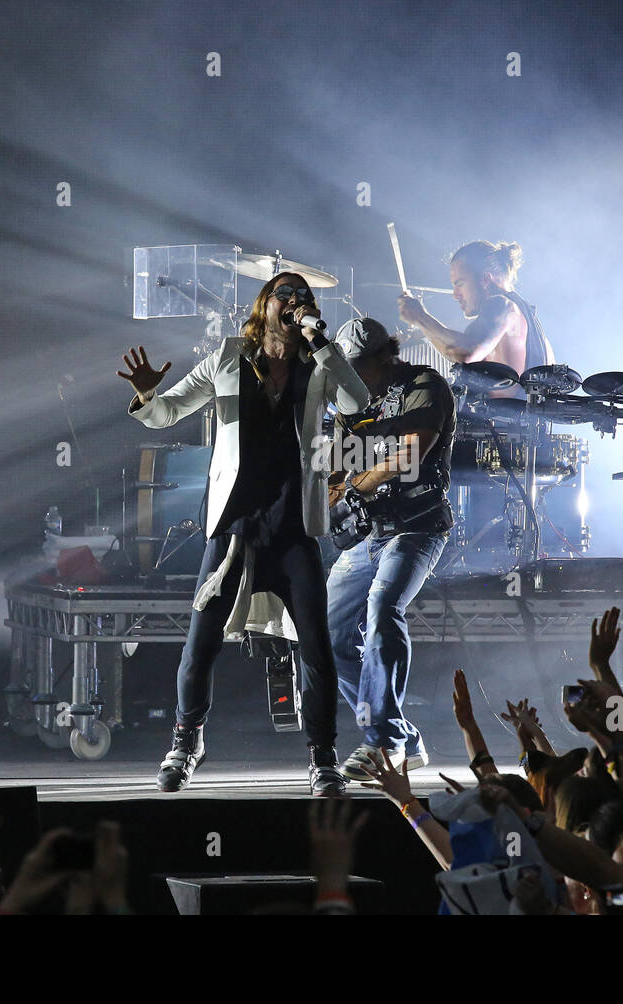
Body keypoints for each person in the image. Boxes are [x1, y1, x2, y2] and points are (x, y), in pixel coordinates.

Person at [116, 272, 370, 796]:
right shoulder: (229, 358)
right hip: (234, 524)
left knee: (316, 648)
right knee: (201, 642)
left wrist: (320, 342)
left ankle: (322, 758)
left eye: (305, 297)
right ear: (264, 304)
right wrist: (147, 394)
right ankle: (187, 741)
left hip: (294, 523)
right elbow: (167, 414)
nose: (296, 302)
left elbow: (356, 403)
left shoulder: (315, 362)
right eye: (286, 295)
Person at [323, 317, 456, 781]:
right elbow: (336, 464)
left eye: (358, 366)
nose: (351, 376)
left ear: (387, 355)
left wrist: (353, 487)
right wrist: (329, 492)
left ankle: (382, 742)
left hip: (417, 528)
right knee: (324, 634)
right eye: (345, 368)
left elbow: (413, 449)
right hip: (368, 535)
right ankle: (400, 735)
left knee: (383, 606)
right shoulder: (347, 402)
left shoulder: (425, 385)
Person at [397, 239, 554, 395]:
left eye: (460, 284)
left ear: (485, 279)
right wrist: (422, 324)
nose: (455, 294)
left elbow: (467, 352)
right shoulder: (532, 325)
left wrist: (420, 317)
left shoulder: (501, 304)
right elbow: (453, 351)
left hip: (498, 419)